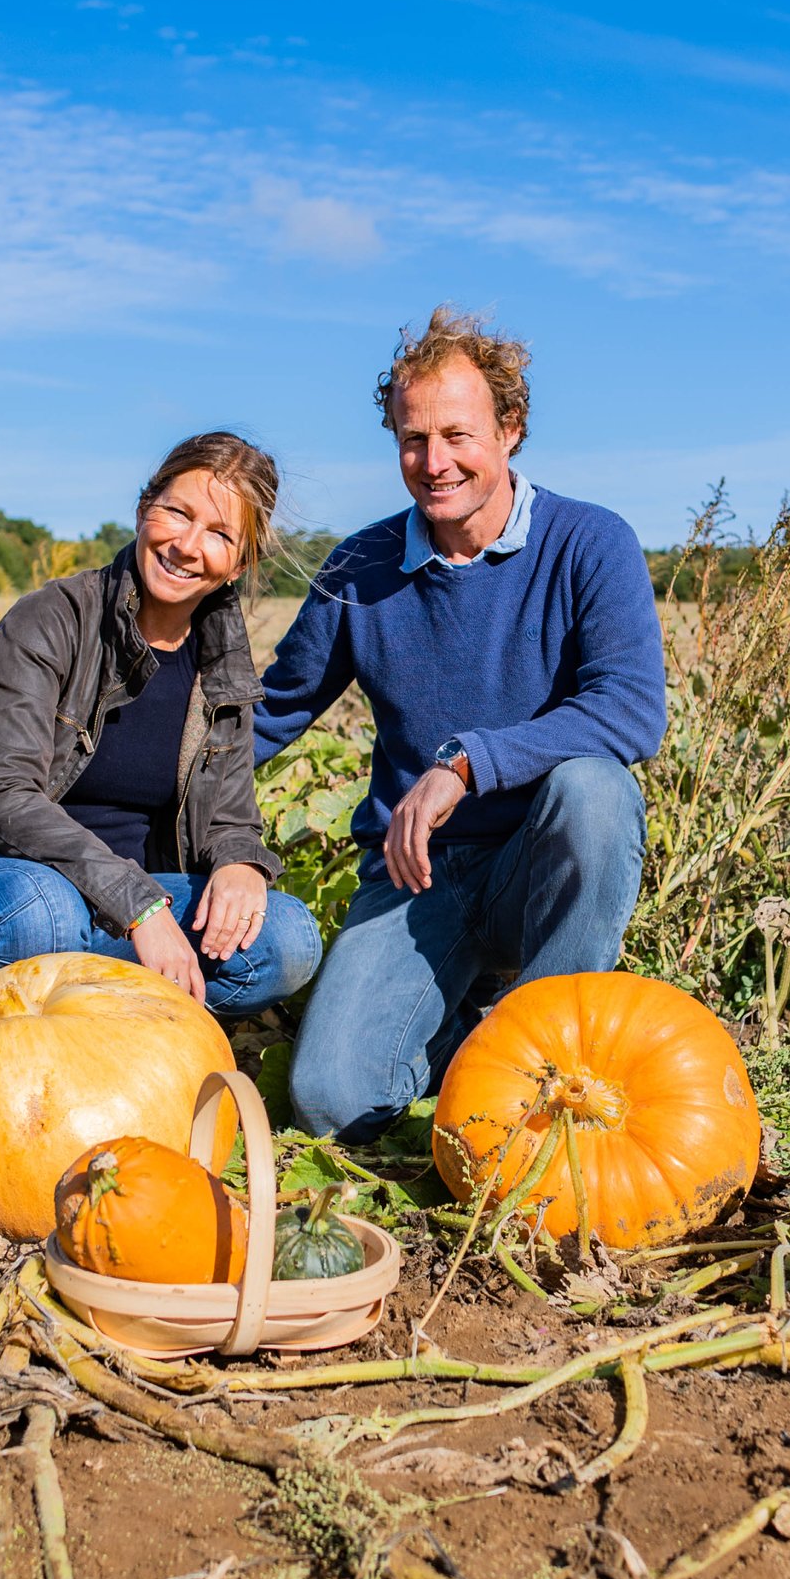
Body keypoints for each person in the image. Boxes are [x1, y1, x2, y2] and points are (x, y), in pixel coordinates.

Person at [255, 308, 667, 1140]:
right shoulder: (363, 567)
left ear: (510, 429)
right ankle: (464, 1015)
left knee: (595, 791)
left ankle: (544, 1061)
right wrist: (135, 769)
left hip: (537, 865)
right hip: (417, 876)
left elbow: (631, 710)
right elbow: (274, 710)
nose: (433, 462)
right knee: (333, 1100)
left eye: (457, 434)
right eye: (413, 439)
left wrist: (467, 763)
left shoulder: (590, 543)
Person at [0, 432, 321, 1022]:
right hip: (6, 881)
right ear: (143, 509)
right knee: (40, 915)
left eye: (219, 533)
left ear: (239, 563)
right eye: (177, 513)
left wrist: (240, 862)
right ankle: (66, 1014)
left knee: (287, 939)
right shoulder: (50, 621)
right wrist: (139, 907)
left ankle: (102, 1016)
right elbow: (1, 796)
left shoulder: (221, 665)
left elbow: (232, 817)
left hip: (134, 905)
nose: (187, 545)